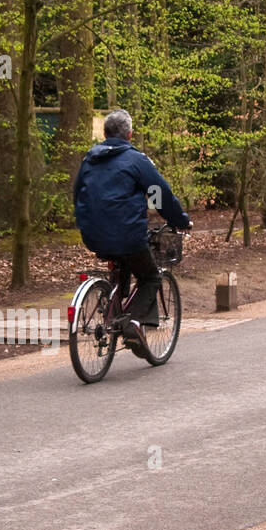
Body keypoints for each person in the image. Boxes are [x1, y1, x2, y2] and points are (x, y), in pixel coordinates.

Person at [73, 108, 191, 356]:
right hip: (127, 235)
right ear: (130, 134)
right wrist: (179, 220)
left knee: (122, 258)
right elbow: (160, 195)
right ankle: (134, 322)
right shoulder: (136, 160)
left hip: (92, 235)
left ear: (105, 134)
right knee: (150, 277)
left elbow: (77, 194)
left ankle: (115, 306)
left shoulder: (89, 160)